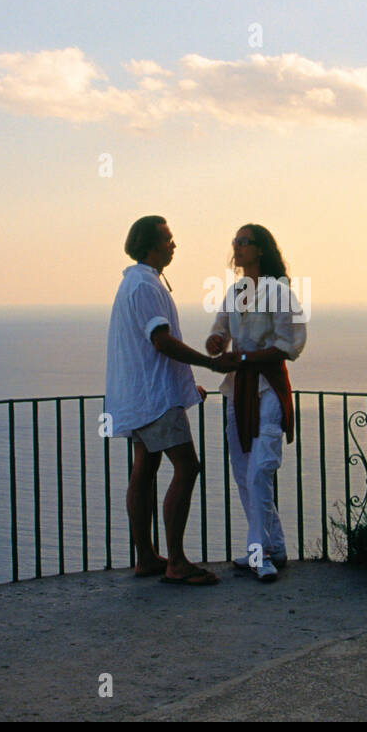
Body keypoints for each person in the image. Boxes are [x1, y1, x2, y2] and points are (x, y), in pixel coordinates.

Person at [105, 216, 238, 586]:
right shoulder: (146, 285)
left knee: (144, 470)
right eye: (168, 239)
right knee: (188, 466)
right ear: (151, 245)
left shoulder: (134, 282)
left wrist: (185, 386)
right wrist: (211, 364)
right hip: (155, 400)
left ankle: (146, 558)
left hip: (142, 396)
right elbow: (161, 341)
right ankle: (176, 562)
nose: (174, 244)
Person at [205, 225, 306, 582]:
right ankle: (273, 545)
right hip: (238, 390)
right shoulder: (234, 293)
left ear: (260, 249)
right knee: (244, 473)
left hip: (267, 387)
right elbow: (219, 330)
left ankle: (258, 554)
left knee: (261, 467)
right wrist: (216, 342)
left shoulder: (279, 293)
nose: (237, 247)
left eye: (243, 242)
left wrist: (243, 360)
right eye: (234, 242)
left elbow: (289, 345)